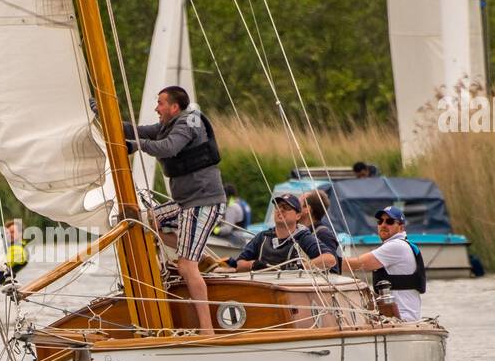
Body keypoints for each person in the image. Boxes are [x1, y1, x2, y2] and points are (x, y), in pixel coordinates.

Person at [120, 86, 227, 333]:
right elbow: (133, 130)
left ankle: (207, 330)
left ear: (174, 107)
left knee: (186, 264)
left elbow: (169, 147)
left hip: (203, 200)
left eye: (160, 103)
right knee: (143, 222)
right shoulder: (166, 126)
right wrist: (103, 117)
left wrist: (136, 145)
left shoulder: (189, 122)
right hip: (184, 202)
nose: (156, 108)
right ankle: (200, 254)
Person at [342, 205, 426, 321]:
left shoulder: (397, 246)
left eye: (390, 221)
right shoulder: (401, 245)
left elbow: (358, 264)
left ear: (401, 227)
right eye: (380, 221)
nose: (383, 225)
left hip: (402, 320)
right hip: (400, 318)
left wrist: (329, 262)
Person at [230, 193, 334, 270]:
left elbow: (329, 259)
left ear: (298, 215)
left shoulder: (303, 238)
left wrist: (300, 267)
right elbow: (238, 264)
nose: (280, 210)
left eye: (286, 207)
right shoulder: (262, 237)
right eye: (277, 207)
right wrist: (253, 265)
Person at [299, 189, 341, 272]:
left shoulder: (323, 234)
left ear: (307, 209)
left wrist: (299, 268)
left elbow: (333, 270)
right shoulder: (298, 232)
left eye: (298, 204)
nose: (294, 208)